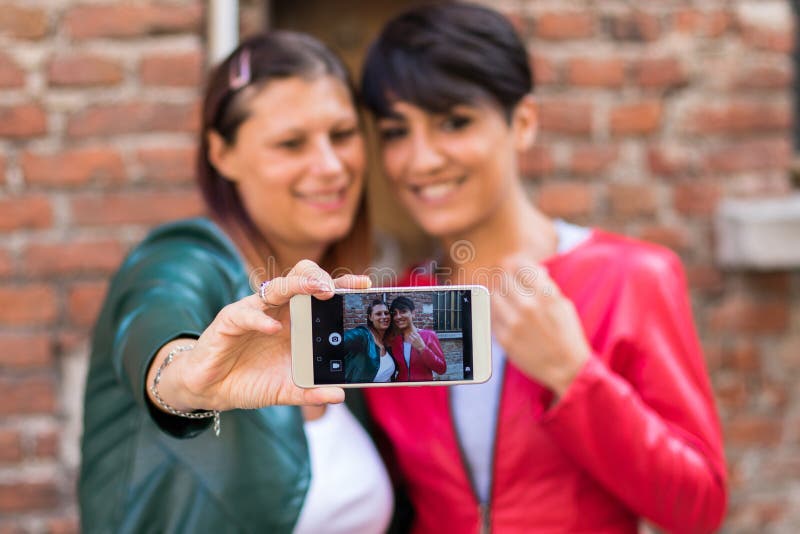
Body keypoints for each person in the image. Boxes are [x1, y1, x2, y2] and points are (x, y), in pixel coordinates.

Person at [360, 3, 727, 533]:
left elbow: (700, 507)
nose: (421, 160)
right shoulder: (392, 305)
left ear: (523, 122)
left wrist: (574, 375)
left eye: (453, 122)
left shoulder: (631, 278)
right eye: (396, 132)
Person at [78, 32, 394, 534]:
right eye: (291, 143)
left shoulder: (330, 304)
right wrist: (185, 382)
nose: (331, 165)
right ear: (222, 153)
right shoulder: (180, 260)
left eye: (342, 134)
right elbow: (159, 326)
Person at [387, 296, 445, 381]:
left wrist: (423, 348)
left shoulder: (429, 336)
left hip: (423, 389)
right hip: (401, 389)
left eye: (403, 311)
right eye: (395, 313)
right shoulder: (395, 340)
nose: (398, 317)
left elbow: (442, 369)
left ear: (413, 313)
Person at [342, 299, 396, 382]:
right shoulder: (362, 335)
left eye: (386, 313)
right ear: (370, 317)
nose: (384, 316)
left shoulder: (386, 342)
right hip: (361, 394)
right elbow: (336, 342)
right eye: (378, 314)